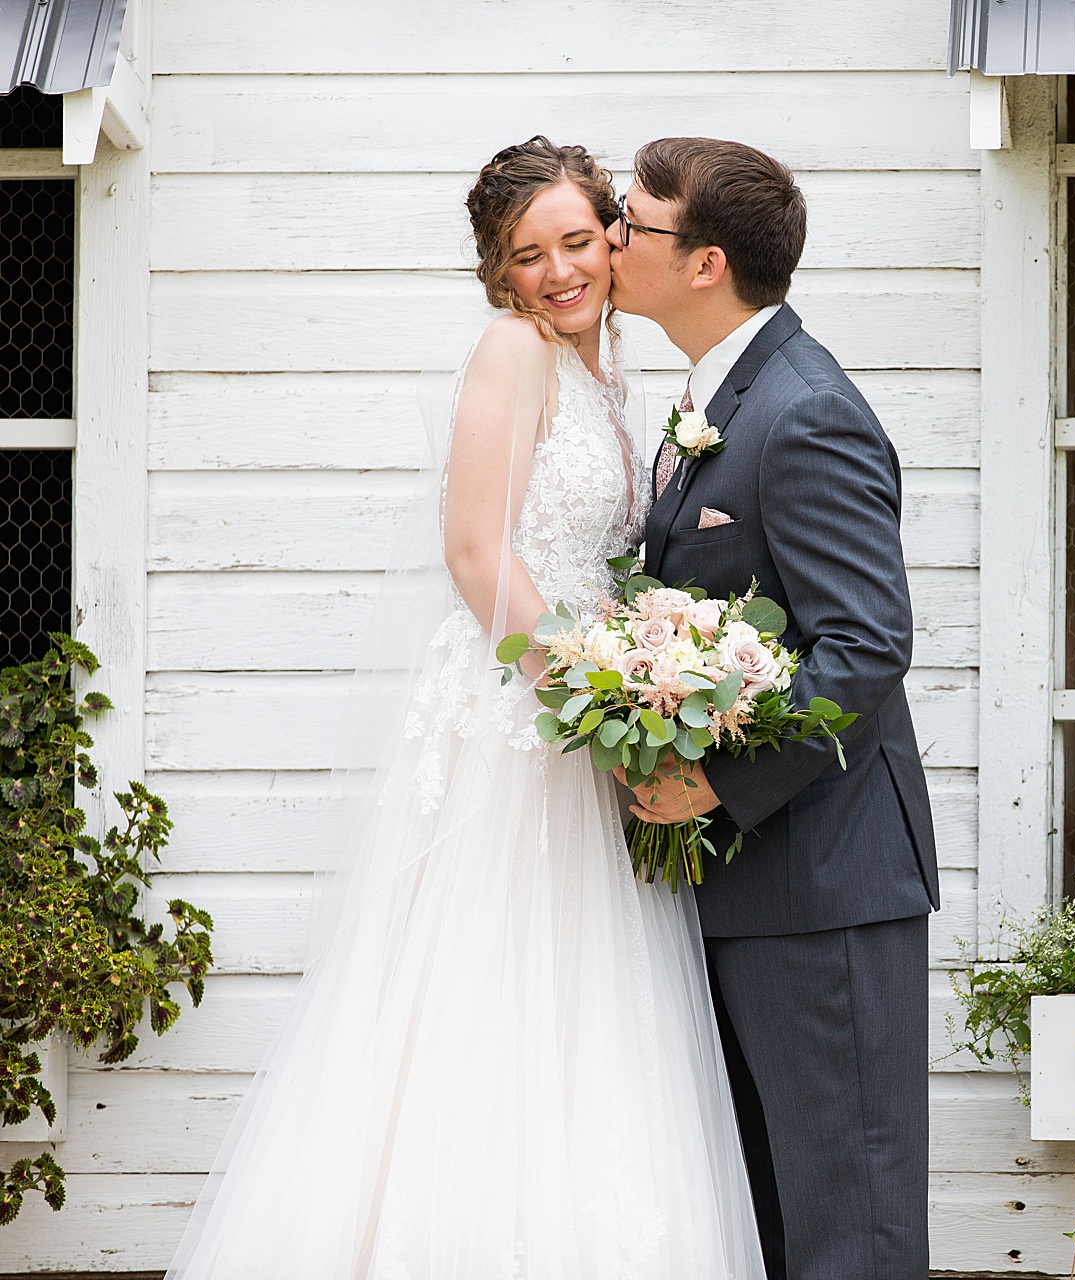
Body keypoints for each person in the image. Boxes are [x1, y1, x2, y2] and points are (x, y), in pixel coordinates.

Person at [163, 137, 765, 1280]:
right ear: (500, 271)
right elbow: (477, 549)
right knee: (489, 990)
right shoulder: (512, 353)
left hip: (579, 719)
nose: (558, 272)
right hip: (518, 728)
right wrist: (598, 705)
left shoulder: (609, 374)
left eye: (578, 241)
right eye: (527, 255)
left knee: (589, 1013)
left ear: (615, 235)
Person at [608, 136, 939, 1280]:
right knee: (763, 1220)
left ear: (703, 264)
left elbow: (865, 645)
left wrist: (713, 779)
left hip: (825, 889)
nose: (608, 240)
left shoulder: (804, 412)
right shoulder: (711, 401)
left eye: (629, 222)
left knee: (849, 1221)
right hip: (741, 885)